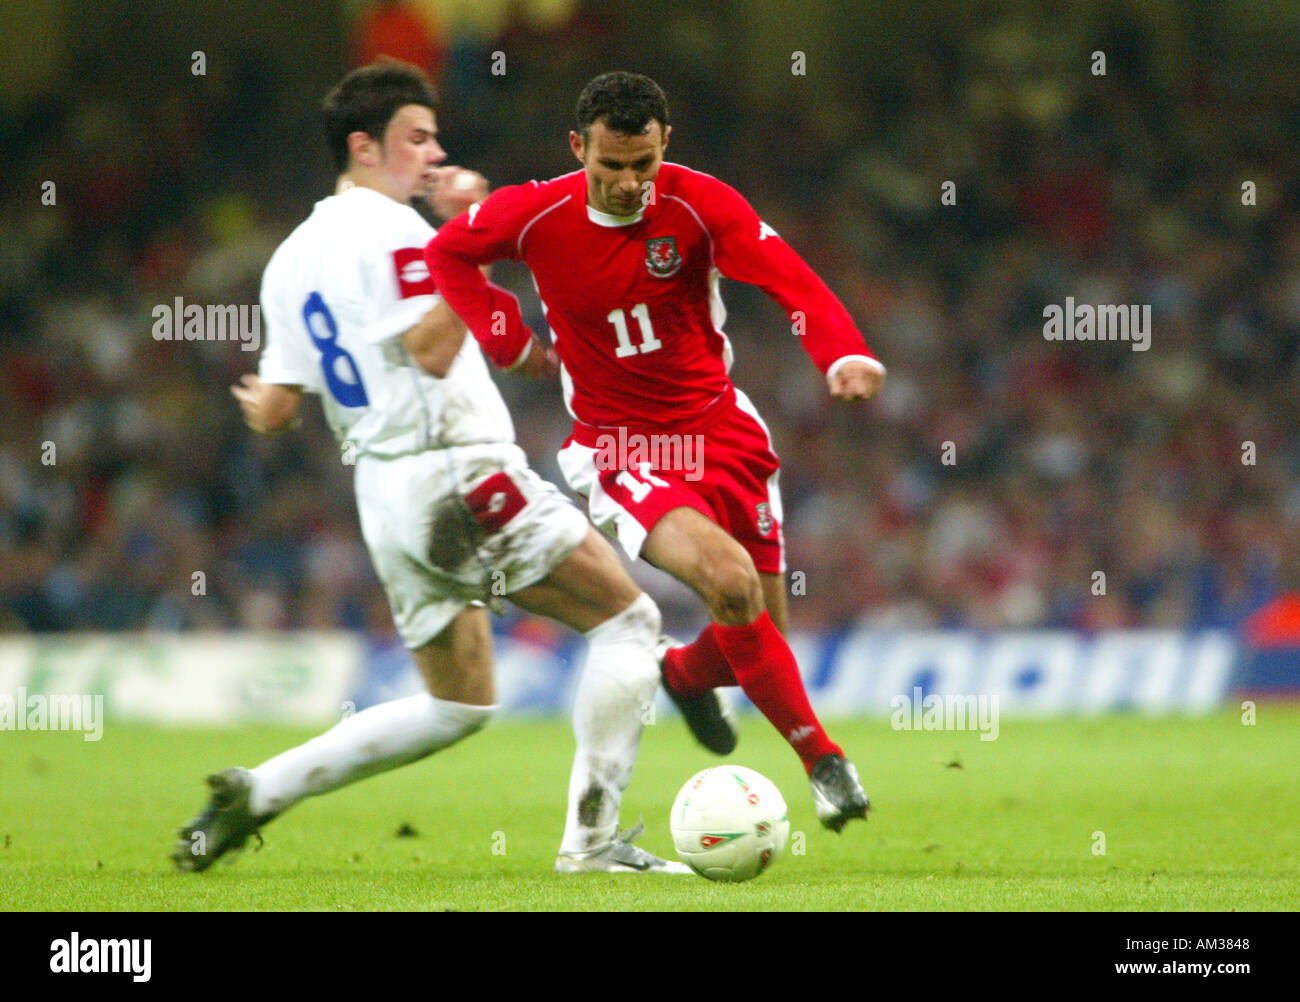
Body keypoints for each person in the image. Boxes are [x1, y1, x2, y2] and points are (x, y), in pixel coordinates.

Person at [172, 61, 694, 875]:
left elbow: (275, 409)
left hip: (383, 495)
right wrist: (473, 240)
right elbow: (433, 341)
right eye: (417, 137)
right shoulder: (401, 232)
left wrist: (258, 399)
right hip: (457, 469)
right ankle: (591, 846)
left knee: (458, 703)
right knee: (629, 623)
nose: (433, 151)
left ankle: (259, 790)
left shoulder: (290, 258)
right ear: (364, 146)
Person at [424, 71, 886, 832]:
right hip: (620, 446)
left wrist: (841, 354)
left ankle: (681, 672)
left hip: (722, 432)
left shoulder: (702, 204)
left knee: (760, 625)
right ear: (580, 149)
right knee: (729, 583)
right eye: (611, 167)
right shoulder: (533, 213)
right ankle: (825, 764)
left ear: (664, 143)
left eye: (644, 165)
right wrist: (504, 333)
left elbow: (789, 278)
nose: (630, 183)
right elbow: (449, 255)